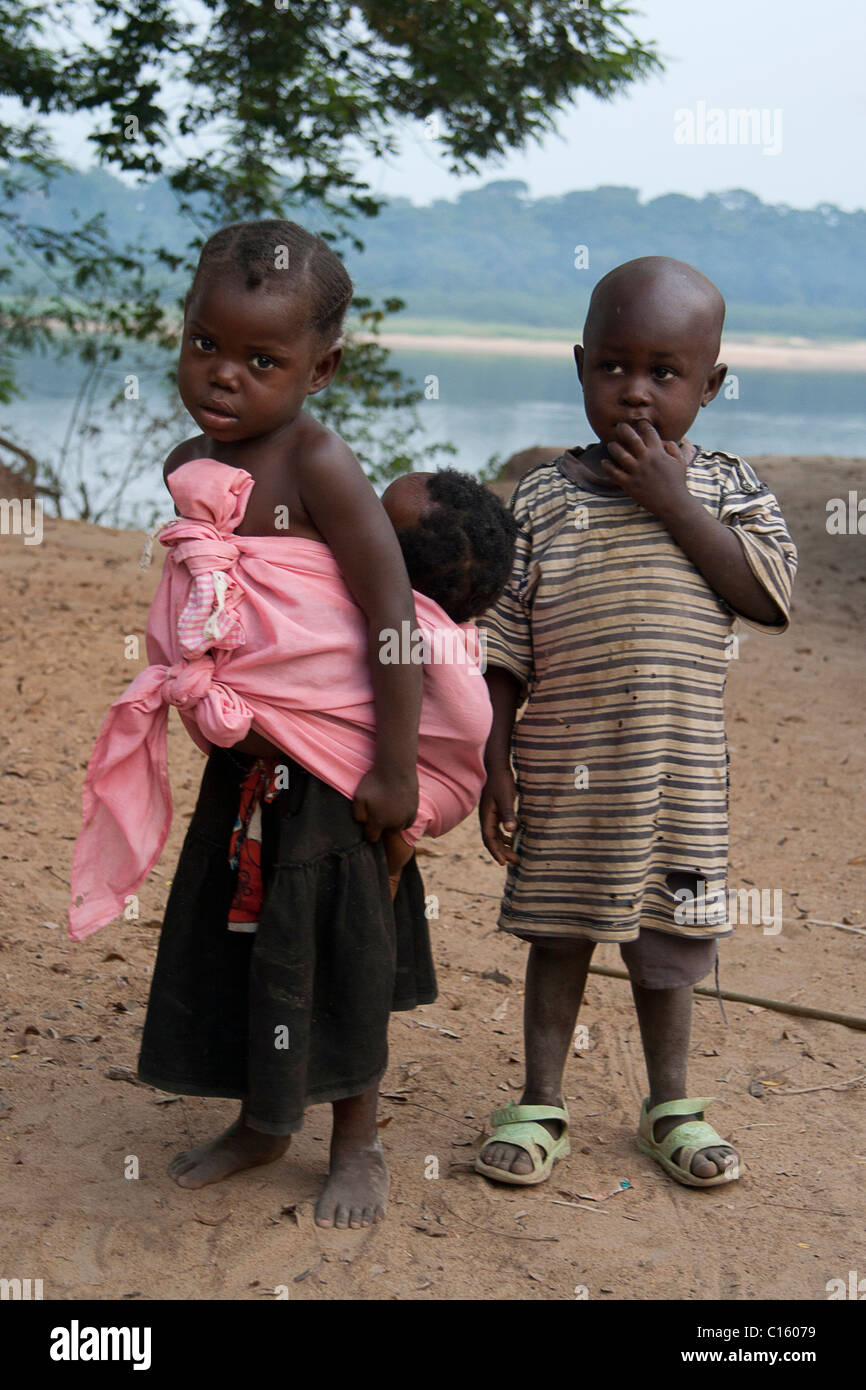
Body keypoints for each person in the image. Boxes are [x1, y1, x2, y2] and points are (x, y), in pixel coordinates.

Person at [67, 216, 516, 1229]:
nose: (222, 375)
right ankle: (262, 1124)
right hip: (247, 764)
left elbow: (388, 616)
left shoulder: (318, 463)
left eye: (261, 358)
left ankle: (355, 1141)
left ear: (322, 368)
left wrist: (393, 771)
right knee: (239, 945)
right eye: (204, 344)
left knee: (343, 952)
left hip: (338, 772)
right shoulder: (195, 460)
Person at [475, 256, 798, 1189]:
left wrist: (673, 500)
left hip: (680, 779)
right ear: (580, 366)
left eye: (666, 373)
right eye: (614, 367)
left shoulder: (731, 488)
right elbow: (504, 643)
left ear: (711, 384)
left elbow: (768, 595)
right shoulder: (542, 495)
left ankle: (672, 1107)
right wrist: (493, 756)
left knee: (670, 948)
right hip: (566, 768)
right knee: (559, 933)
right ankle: (540, 1101)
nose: (636, 394)